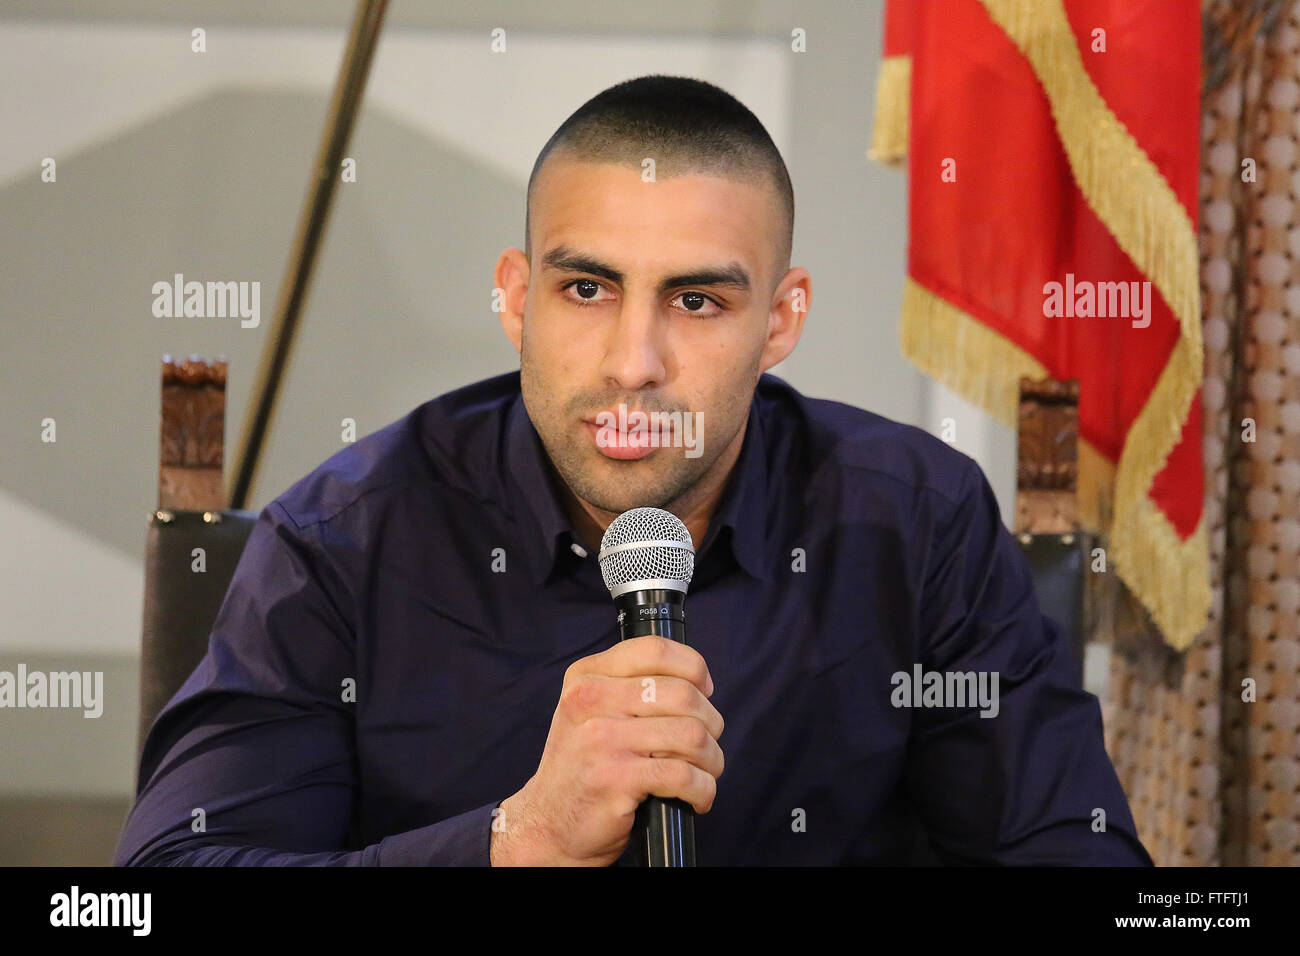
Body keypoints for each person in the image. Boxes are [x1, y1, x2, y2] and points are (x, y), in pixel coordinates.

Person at [114, 74, 1151, 866]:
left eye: (696, 301)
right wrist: (519, 839)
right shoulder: (344, 540)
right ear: (516, 297)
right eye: (586, 289)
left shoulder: (914, 521)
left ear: (780, 319)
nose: (631, 362)